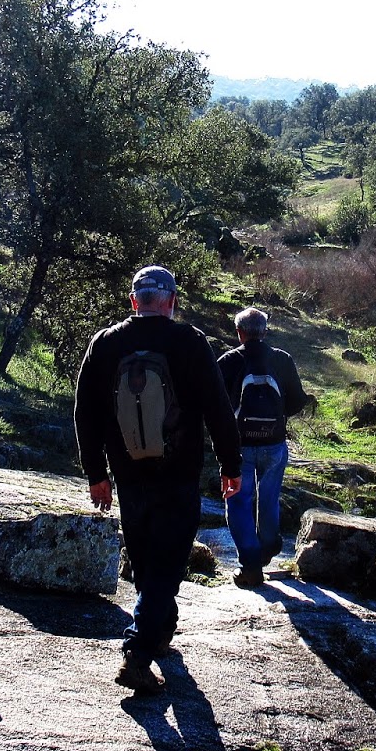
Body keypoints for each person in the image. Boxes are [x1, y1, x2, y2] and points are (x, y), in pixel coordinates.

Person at [73, 265, 242, 695]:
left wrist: (96, 474)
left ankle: (159, 632)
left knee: (148, 561)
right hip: (179, 473)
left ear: (134, 301)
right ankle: (138, 652)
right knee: (167, 563)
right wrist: (231, 465)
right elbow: (218, 409)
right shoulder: (189, 341)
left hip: (128, 474)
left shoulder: (106, 343)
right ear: (170, 301)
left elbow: (85, 414)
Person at [217, 306, 308, 588]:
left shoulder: (228, 361)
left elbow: (217, 407)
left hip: (239, 446)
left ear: (239, 332)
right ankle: (268, 545)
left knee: (238, 501)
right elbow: (297, 401)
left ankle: (251, 564)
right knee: (268, 497)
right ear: (265, 331)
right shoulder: (282, 359)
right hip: (274, 443)